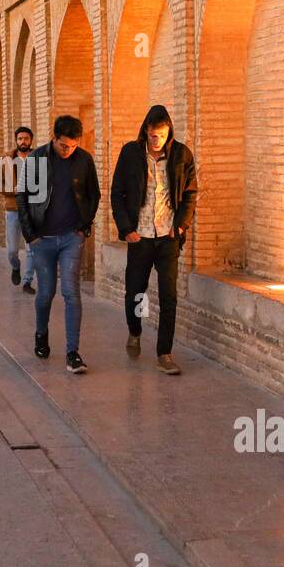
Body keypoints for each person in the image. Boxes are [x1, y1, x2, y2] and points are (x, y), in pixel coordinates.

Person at [110, 104, 198, 376]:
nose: (155, 140)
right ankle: (134, 331)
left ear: (168, 131)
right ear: (145, 131)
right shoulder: (130, 154)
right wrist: (126, 229)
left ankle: (164, 353)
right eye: (151, 135)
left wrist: (180, 226)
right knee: (136, 291)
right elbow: (117, 194)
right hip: (140, 237)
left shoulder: (181, 154)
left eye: (160, 135)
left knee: (168, 296)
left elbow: (191, 194)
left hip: (168, 237)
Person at [17, 114, 100, 375]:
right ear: (54, 139)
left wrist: (83, 227)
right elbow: (22, 197)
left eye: (74, 145)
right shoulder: (36, 159)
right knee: (45, 294)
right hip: (42, 239)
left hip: (70, 238)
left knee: (71, 293)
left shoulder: (84, 160)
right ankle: (41, 334)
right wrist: (31, 235)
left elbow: (93, 194)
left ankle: (73, 353)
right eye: (64, 145)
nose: (69, 150)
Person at [1, 126, 36, 293]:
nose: (23, 141)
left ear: (31, 140)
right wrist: (12, 190)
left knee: (32, 249)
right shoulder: (7, 159)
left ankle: (27, 281)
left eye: (26, 139)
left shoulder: (38, 158)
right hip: (13, 210)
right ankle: (15, 267)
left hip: (32, 211)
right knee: (12, 250)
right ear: (16, 140)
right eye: (20, 138)